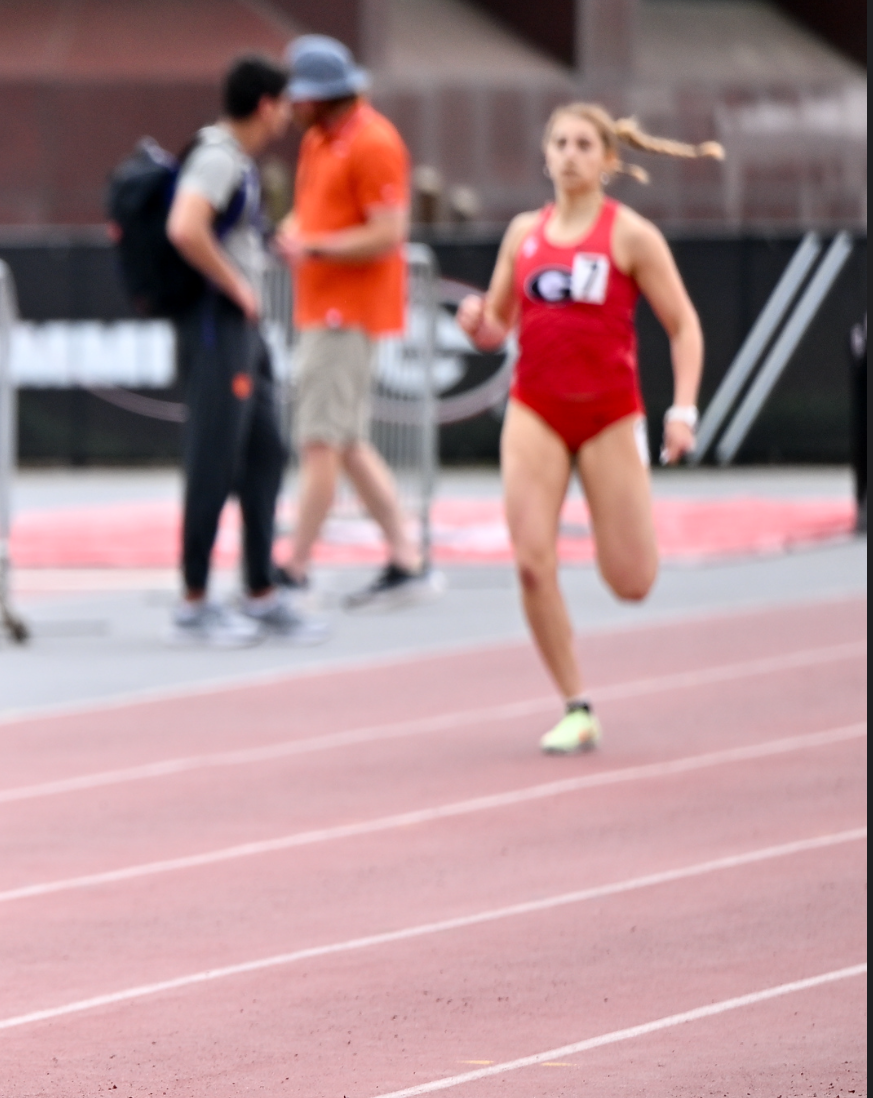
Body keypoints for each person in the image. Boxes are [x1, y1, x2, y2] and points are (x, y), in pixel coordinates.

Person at [456, 103, 722, 753]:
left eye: (584, 144)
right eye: (560, 143)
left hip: (608, 414)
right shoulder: (523, 233)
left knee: (631, 582)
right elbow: (499, 323)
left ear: (607, 161)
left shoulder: (629, 235)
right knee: (529, 564)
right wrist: (478, 326)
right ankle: (576, 704)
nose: (571, 154)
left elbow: (684, 324)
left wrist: (682, 410)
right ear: (545, 156)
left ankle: (622, 520)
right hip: (536, 410)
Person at [165, 55, 323, 647]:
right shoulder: (217, 156)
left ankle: (260, 589)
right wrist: (236, 284)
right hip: (216, 327)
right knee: (215, 457)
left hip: (240, 330)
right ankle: (194, 599)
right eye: (284, 103)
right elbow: (186, 226)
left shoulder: (237, 162)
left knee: (265, 450)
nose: (288, 115)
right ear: (266, 104)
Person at [274, 35, 436, 612]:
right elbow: (315, 208)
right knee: (345, 441)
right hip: (325, 305)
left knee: (321, 437)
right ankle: (404, 554)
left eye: (300, 96)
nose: (291, 107)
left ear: (322, 96)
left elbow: (388, 231)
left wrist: (311, 246)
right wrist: (298, 232)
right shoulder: (323, 140)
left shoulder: (371, 141)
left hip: (347, 311)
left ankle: (293, 564)